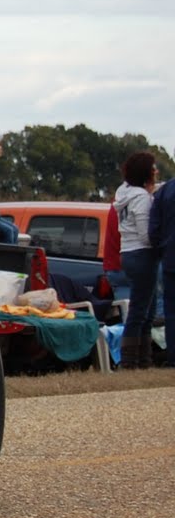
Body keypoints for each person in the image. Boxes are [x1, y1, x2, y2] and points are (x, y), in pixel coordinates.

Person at [115, 151, 160, 369]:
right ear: (145, 172)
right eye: (153, 168)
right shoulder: (141, 198)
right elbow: (145, 234)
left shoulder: (123, 192)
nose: (156, 171)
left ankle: (142, 360)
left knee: (146, 309)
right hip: (142, 253)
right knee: (140, 311)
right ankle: (131, 361)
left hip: (127, 253)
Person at [149, 175, 175, 368]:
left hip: (170, 258)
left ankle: (173, 356)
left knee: (171, 311)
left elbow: (154, 230)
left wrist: (162, 250)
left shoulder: (164, 191)